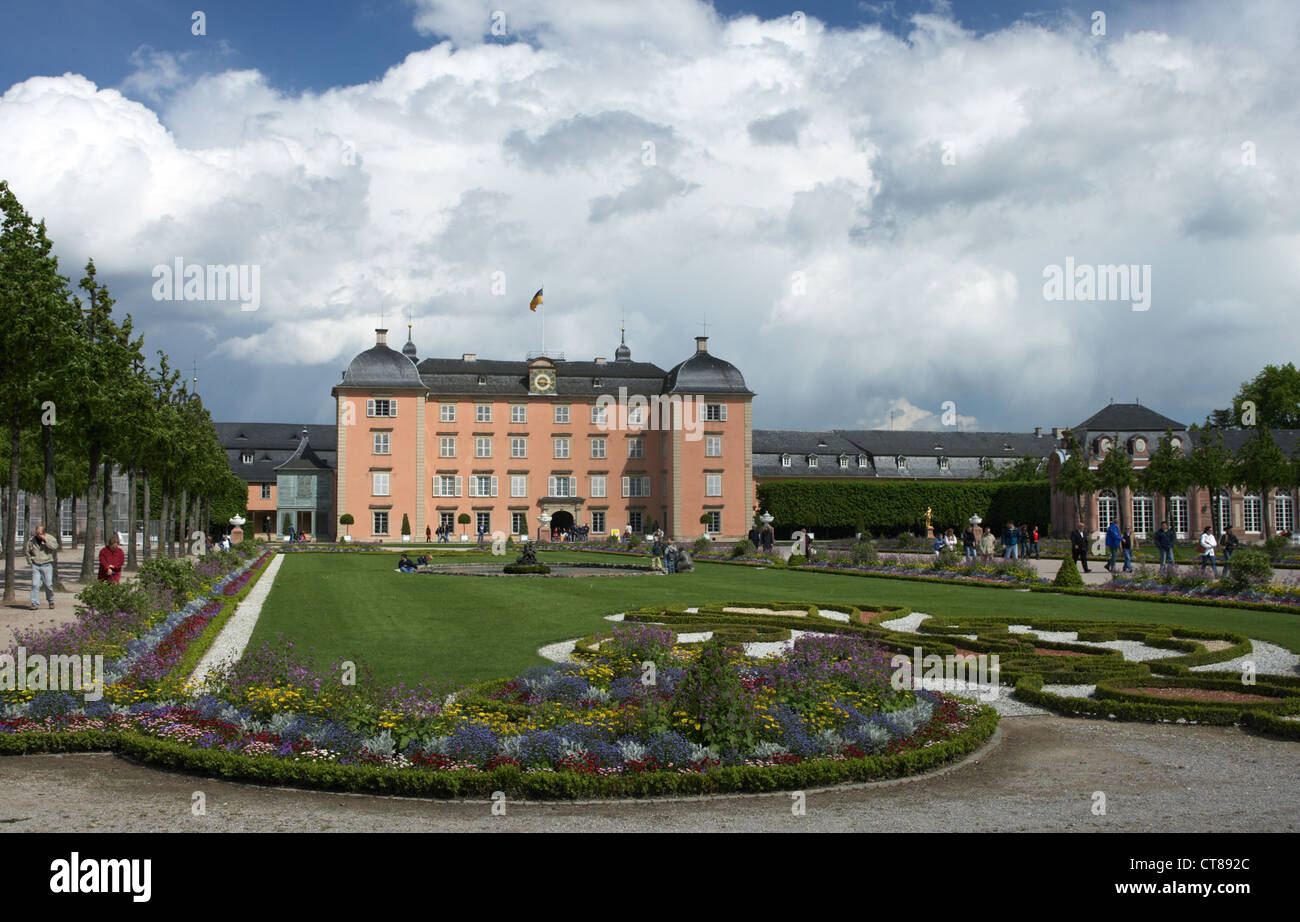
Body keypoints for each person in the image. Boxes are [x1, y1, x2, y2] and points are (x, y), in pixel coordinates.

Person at [25, 525, 60, 610]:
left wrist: (45, 540)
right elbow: (27, 551)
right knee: (34, 584)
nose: (38, 535)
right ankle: (34, 603)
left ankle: (51, 601)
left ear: (44, 533)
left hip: (47, 564)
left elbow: (55, 547)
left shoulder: (50, 538)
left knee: (48, 585)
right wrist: (30, 561)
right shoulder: (31, 540)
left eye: (40, 533)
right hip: (36, 565)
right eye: (37, 533)